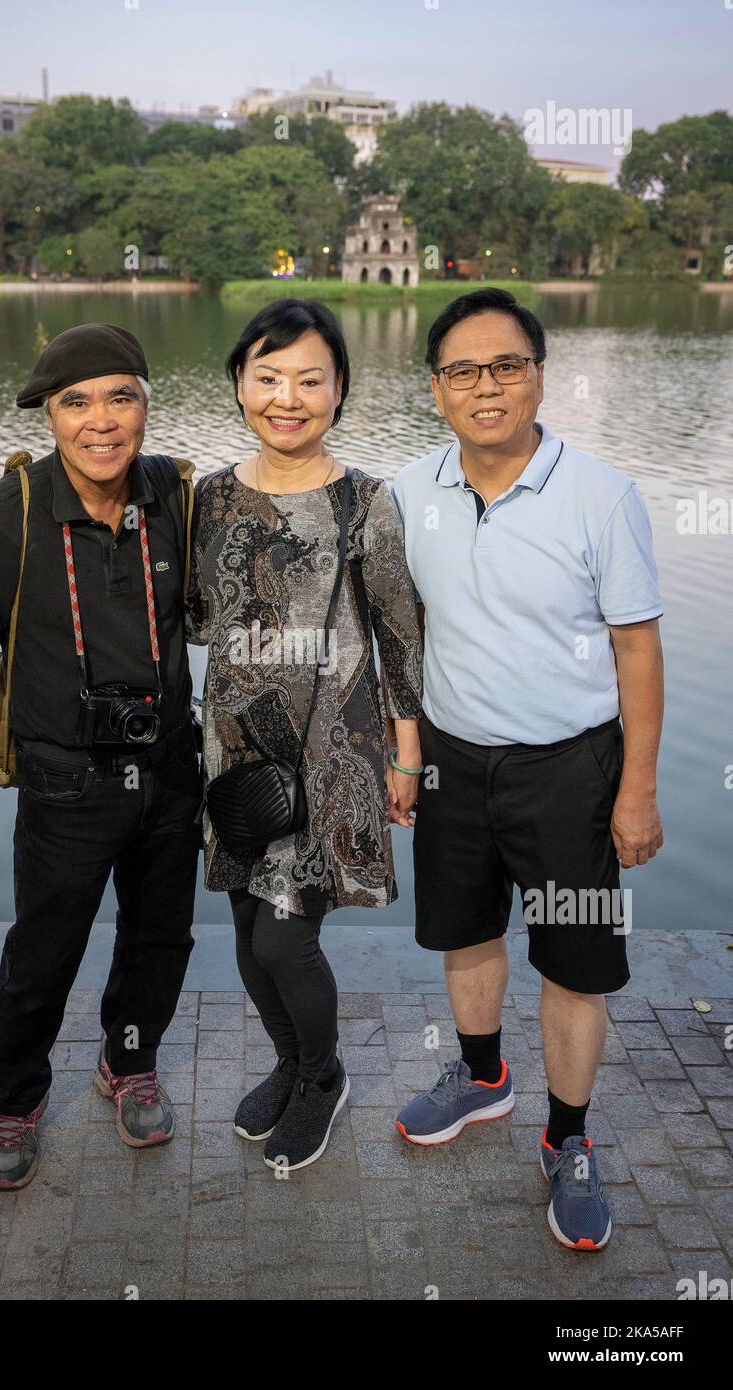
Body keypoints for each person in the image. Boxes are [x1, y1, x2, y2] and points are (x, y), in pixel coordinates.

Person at [392, 289, 664, 1251]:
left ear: (540, 375)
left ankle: (569, 1138)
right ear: (436, 390)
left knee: (574, 963)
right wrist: (406, 751)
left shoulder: (601, 494)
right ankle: (480, 1076)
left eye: (506, 366)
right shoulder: (407, 492)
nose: (487, 387)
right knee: (464, 935)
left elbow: (637, 647)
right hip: (453, 765)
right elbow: (399, 634)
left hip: (574, 771)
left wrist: (636, 788)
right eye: (463, 371)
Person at [0, 323, 202, 1189]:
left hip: (168, 771)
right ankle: (14, 1097)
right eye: (77, 402)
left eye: (121, 397)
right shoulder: (5, 513)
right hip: (63, 779)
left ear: (146, 408)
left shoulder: (177, 496)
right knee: (43, 950)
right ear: (49, 415)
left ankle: (129, 1063)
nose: (102, 420)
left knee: (159, 937)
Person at [187, 298, 424, 1172]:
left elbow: (399, 631)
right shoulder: (207, 496)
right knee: (246, 926)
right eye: (268, 376)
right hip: (235, 749)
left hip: (333, 753)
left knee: (288, 934)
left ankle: (322, 1076)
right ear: (240, 386)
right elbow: (194, 617)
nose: (288, 396)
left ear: (339, 392)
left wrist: (408, 752)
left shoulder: (366, 499)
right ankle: (289, 1062)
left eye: (310, 379)